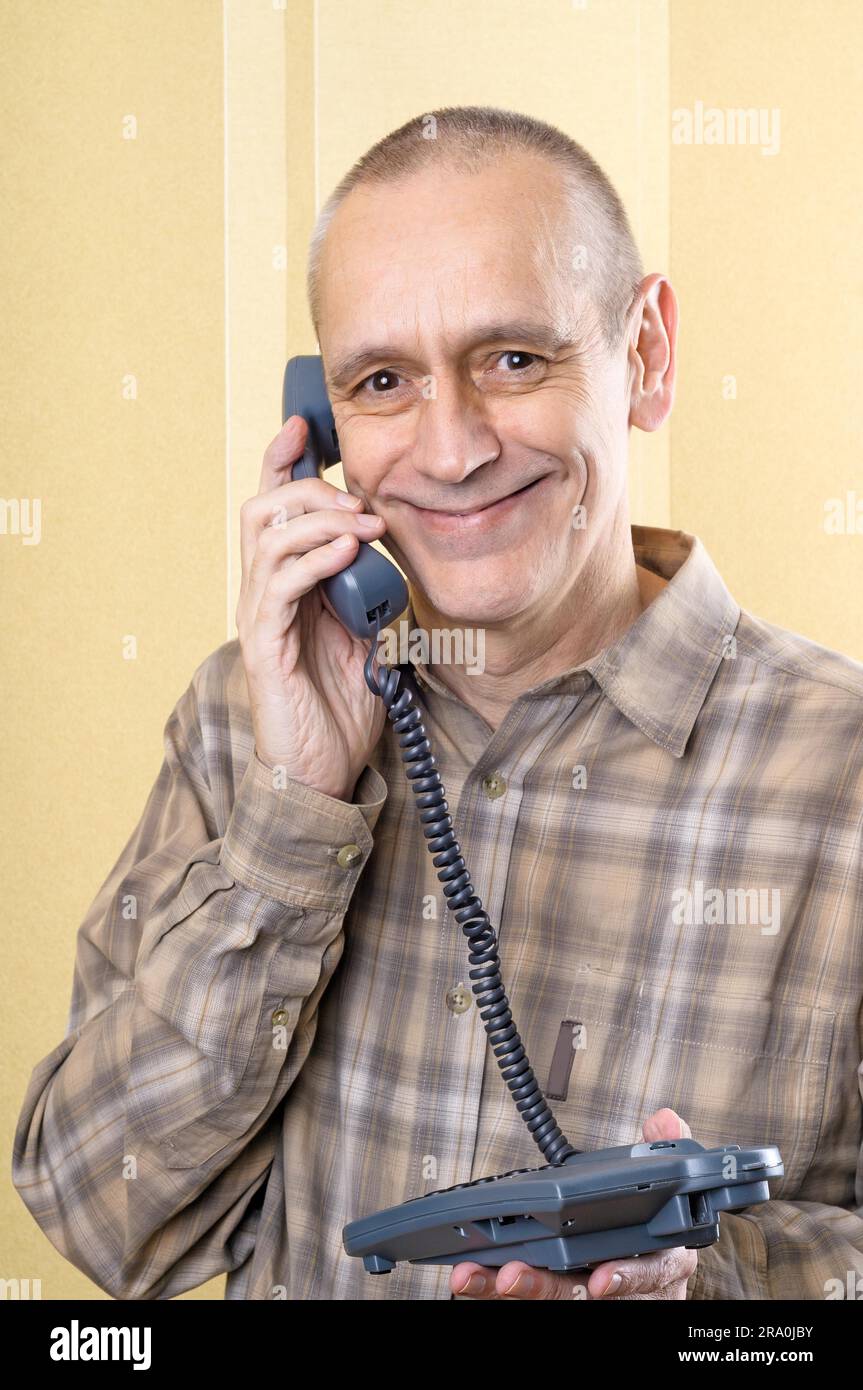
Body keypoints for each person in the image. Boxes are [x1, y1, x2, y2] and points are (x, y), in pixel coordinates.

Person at [13, 106, 863, 1301]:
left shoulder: (842, 768)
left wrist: (713, 1290)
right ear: (319, 428)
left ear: (646, 355)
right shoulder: (244, 720)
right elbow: (98, 1210)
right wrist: (291, 818)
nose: (451, 448)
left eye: (512, 358)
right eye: (381, 381)